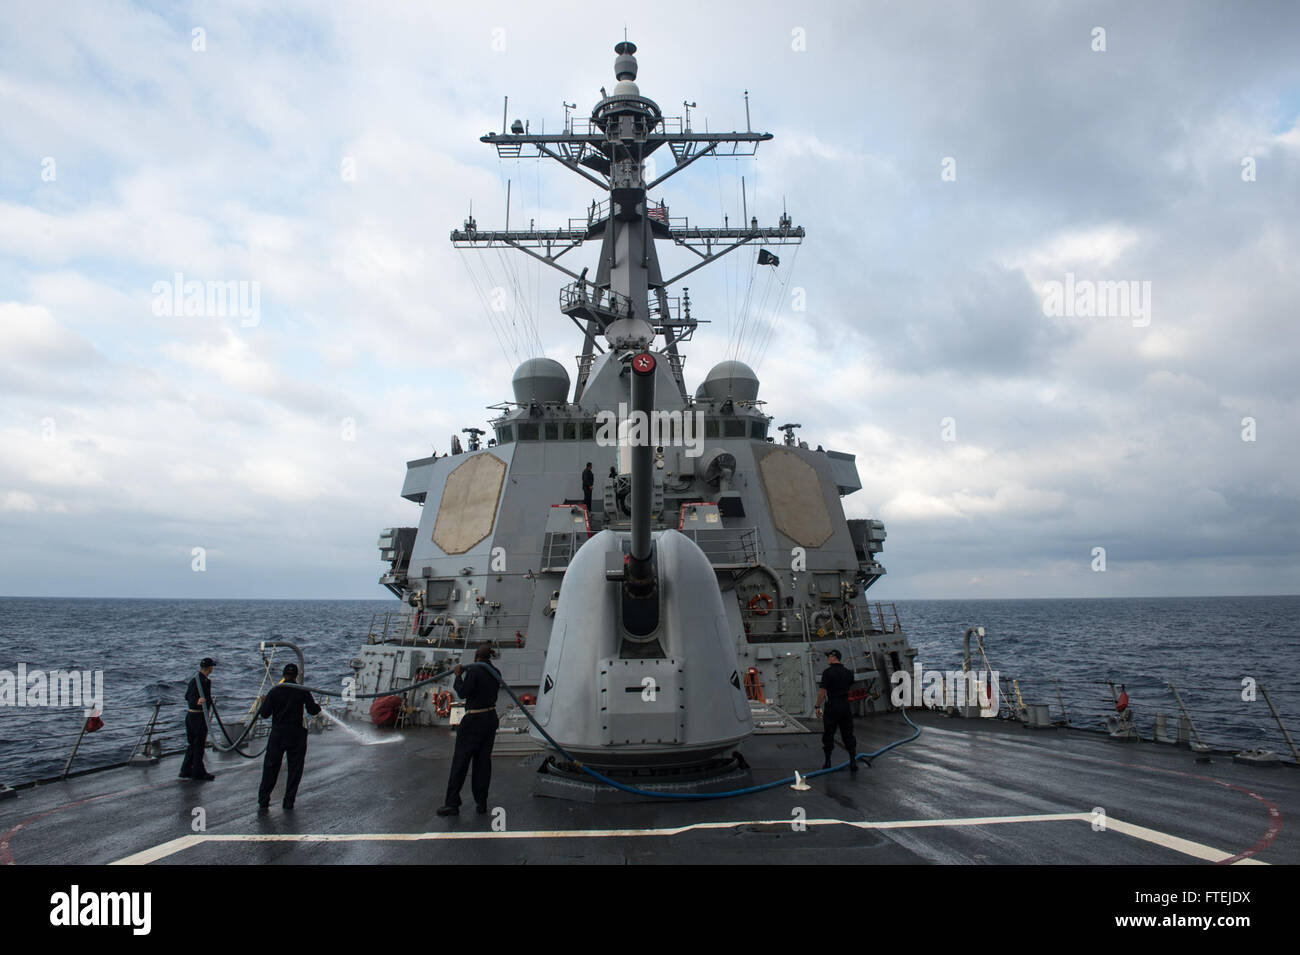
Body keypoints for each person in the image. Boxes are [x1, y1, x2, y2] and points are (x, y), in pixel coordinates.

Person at [437, 644, 502, 816]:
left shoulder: (474, 671)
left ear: (476, 656)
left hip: (474, 720)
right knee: (483, 763)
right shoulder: (496, 672)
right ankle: (481, 802)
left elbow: (463, 693)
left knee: (460, 762)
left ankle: (452, 803)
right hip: (490, 718)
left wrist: (458, 676)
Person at [257, 663, 321, 810]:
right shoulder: (302, 691)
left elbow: (265, 714)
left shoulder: (274, 691)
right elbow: (312, 710)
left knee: (271, 767)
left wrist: (263, 702)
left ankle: (263, 800)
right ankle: (288, 802)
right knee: (295, 768)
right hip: (296, 734)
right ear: (296, 675)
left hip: (278, 733)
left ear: (283, 675)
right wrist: (318, 707)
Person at [813, 649, 859, 772]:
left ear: (834, 657)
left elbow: (823, 691)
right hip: (845, 705)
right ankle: (853, 762)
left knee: (829, 733)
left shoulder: (827, 673)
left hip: (832, 705)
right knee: (848, 733)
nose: (828, 658)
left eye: (829, 656)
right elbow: (849, 685)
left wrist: (817, 706)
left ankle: (827, 762)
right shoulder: (848, 672)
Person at [180, 657, 217, 780]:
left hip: (191, 716)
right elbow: (190, 699)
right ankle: (198, 772)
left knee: (192, 744)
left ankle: (185, 770)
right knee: (198, 745)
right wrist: (197, 701)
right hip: (198, 716)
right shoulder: (203, 681)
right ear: (209, 668)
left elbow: (186, 696)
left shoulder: (194, 680)